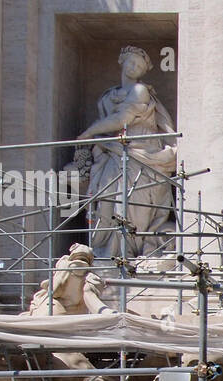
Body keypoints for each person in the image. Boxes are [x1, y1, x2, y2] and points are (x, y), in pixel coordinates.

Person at [74, 47, 178, 259]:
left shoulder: (140, 91)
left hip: (141, 153)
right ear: (122, 61)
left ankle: (129, 255)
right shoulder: (108, 95)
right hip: (113, 151)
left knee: (134, 206)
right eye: (131, 62)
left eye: (139, 66)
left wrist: (89, 132)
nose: (134, 68)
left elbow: (122, 119)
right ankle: (107, 254)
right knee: (107, 202)